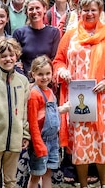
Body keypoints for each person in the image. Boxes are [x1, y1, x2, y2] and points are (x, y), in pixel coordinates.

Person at [54, 0, 105, 188]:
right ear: (79, 12)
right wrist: (62, 72)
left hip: (102, 95)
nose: (89, 13)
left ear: (100, 11)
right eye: (85, 10)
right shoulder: (70, 35)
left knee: (101, 139)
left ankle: (104, 184)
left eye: (93, 10)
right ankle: (84, 185)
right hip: (78, 95)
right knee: (80, 142)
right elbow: (58, 60)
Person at [0, 38, 30, 188]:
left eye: (11, 55)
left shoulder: (23, 81)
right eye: (3, 56)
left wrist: (25, 134)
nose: (8, 59)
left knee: (10, 181)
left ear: (17, 56)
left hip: (15, 140)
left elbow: (24, 110)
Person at [27, 56, 70, 188]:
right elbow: (33, 122)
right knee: (36, 174)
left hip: (53, 140)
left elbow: (49, 114)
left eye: (48, 73)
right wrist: (39, 145)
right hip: (41, 141)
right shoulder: (34, 94)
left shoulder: (50, 91)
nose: (45, 77)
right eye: (40, 74)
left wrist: (61, 109)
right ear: (33, 74)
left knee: (48, 172)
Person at [14, 0, 62, 75]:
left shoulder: (54, 33)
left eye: (37, 8)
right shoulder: (19, 33)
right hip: (26, 82)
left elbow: (55, 60)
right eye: (31, 9)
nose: (34, 11)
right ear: (26, 12)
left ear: (44, 9)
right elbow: (15, 61)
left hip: (46, 80)